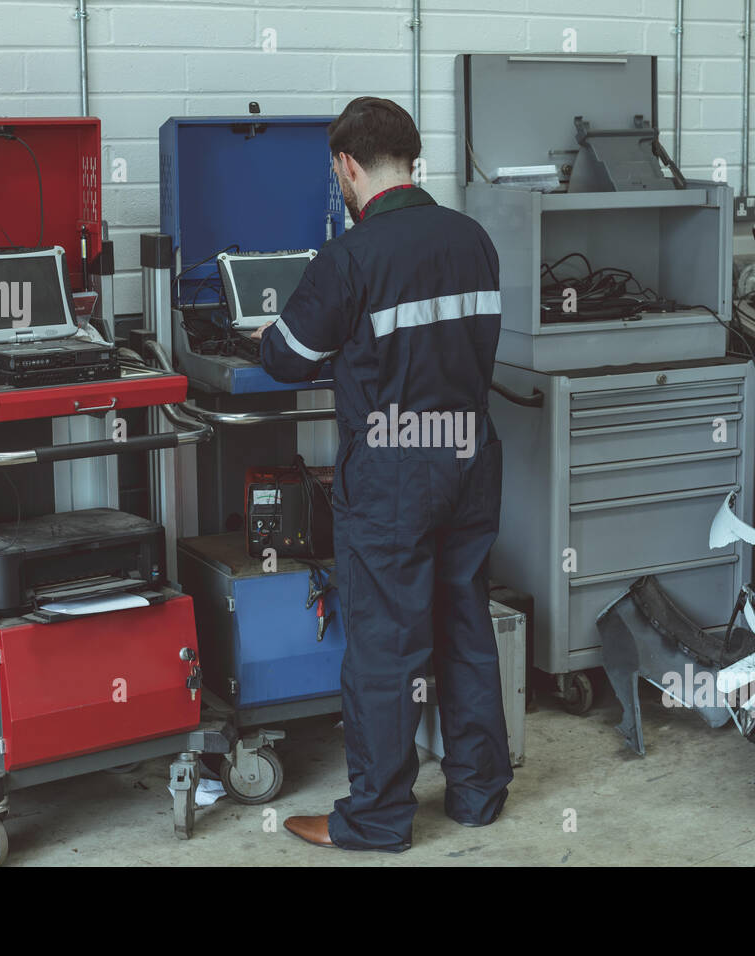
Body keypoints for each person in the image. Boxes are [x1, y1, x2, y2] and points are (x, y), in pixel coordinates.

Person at [253, 96, 512, 852]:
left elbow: (284, 358)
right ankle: (477, 792)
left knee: (385, 644)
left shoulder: (351, 257)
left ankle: (377, 818)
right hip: (469, 453)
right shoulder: (474, 240)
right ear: (412, 157)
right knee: (465, 624)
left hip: (396, 469)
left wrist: (287, 332)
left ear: (346, 167)